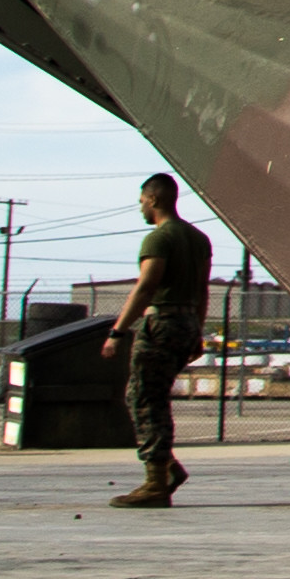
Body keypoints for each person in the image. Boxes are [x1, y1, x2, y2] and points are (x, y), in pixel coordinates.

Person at [104, 170, 212, 508]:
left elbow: (147, 286)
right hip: (187, 323)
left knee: (144, 399)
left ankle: (156, 481)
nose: (140, 209)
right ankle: (166, 468)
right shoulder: (198, 238)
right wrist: (197, 330)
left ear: (154, 199)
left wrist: (117, 330)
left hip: (162, 323)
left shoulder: (159, 238)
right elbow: (202, 289)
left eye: (141, 202)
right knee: (154, 396)